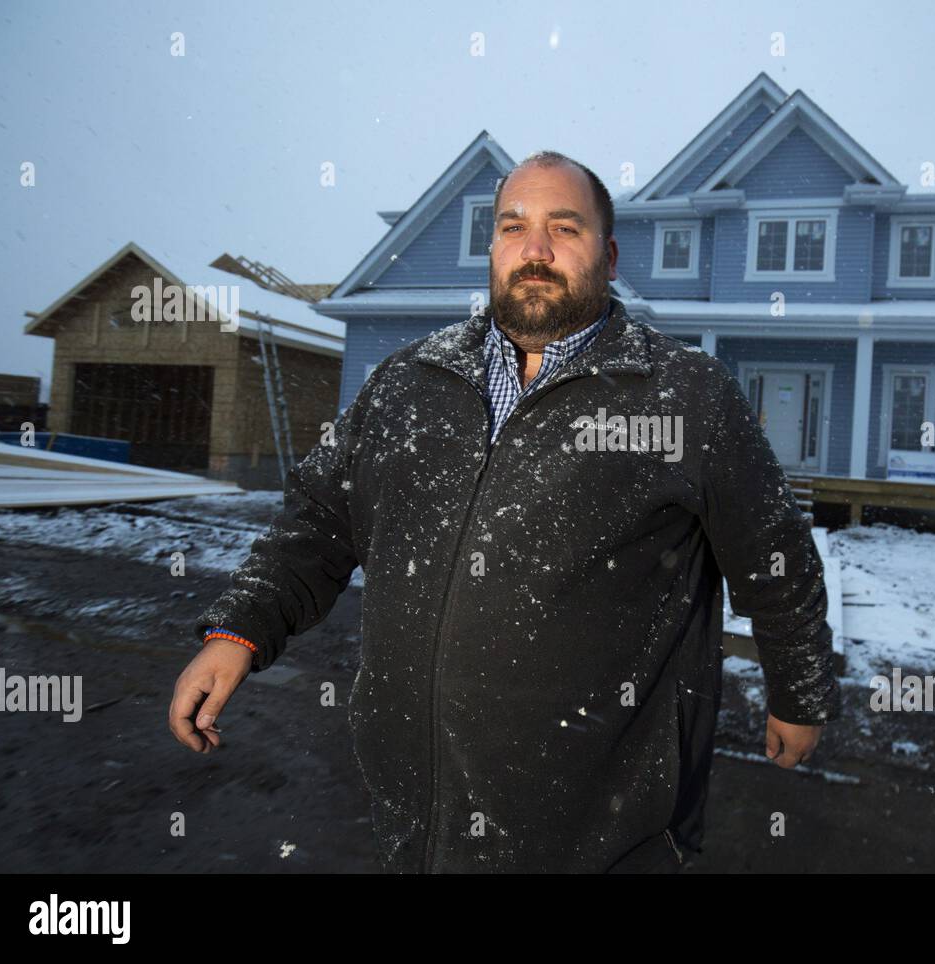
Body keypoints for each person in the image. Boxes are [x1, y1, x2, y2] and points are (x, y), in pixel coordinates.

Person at [168, 150, 841, 873]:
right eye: (513, 227)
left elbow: (776, 557)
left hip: (603, 832)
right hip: (415, 817)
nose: (537, 251)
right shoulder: (407, 383)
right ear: (491, 248)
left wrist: (797, 693)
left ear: (608, 256)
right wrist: (238, 632)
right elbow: (318, 524)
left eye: (565, 228)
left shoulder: (684, 397)